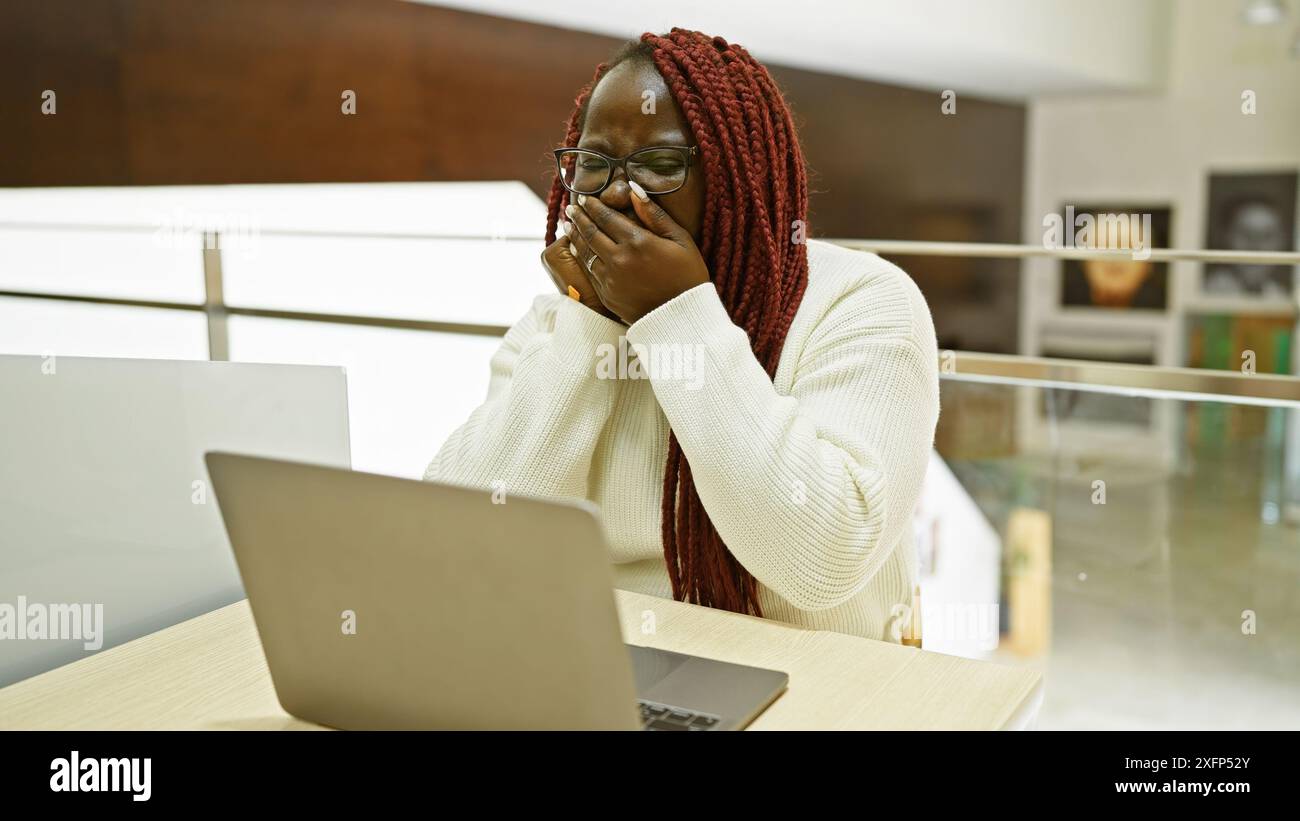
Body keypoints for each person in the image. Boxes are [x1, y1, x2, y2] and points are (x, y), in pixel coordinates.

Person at [425, 29, 939, 641]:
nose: (616, 191)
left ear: (741, 177)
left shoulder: (863, 301)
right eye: (593, 164)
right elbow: (460, 540)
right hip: (612, 669)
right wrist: (593, 324)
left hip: (817, 683)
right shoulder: (555, 322)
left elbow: (825, 558)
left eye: (660, 165)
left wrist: (676, 313)